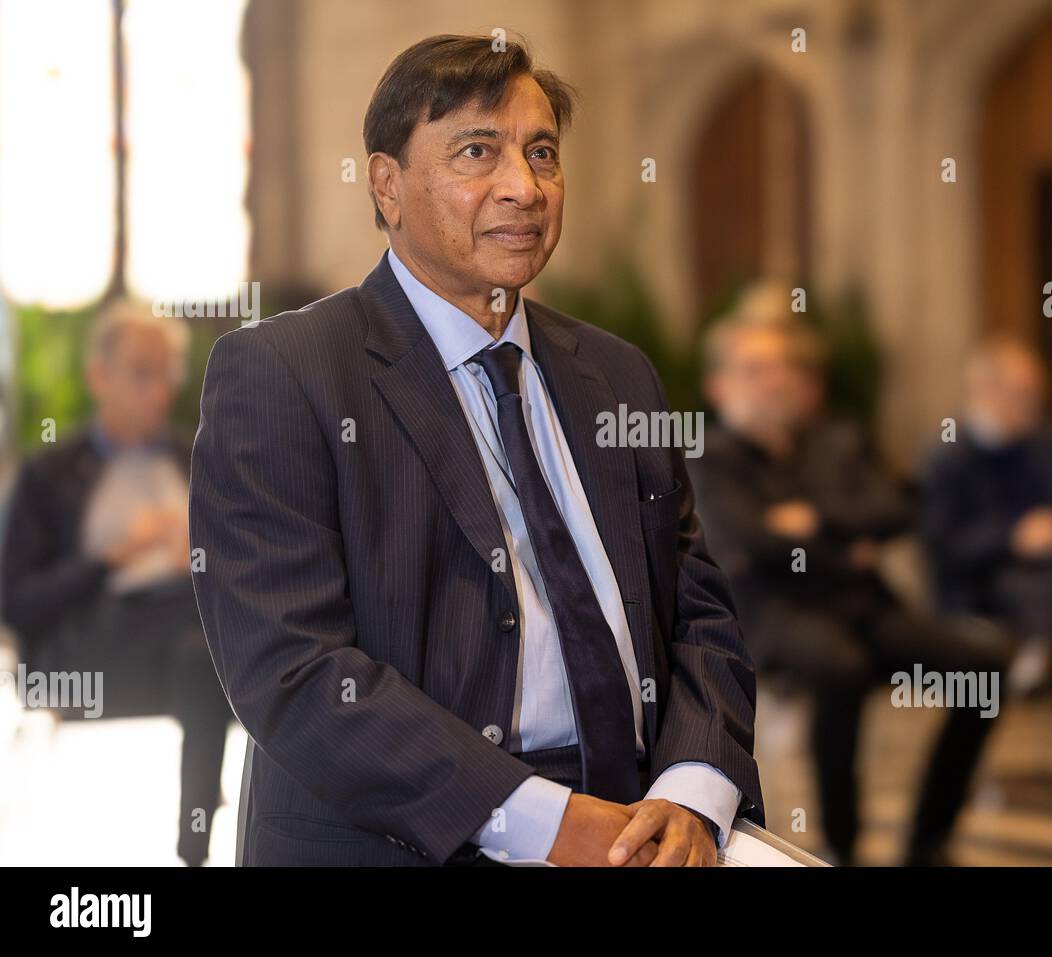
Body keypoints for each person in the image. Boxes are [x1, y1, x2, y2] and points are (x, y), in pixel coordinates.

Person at [188, 34, 762, 867]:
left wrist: (691, 789)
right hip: (415, 833)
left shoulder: (615, 373)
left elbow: (699, 608)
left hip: (644, 818)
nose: (524, 188)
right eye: (476, 152)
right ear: (386, 185)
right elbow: (295, 669)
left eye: (541, 153)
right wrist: (548, 823)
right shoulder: (285, 373)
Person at [690, 290, 1012, 866]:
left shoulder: (835, 441)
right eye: (754, 369)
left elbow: (898, 508)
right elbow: (748, 542)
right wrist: (844, 541)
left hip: (867, 607)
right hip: (778, 615)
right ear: (720, 386)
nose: (773, 381)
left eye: (782, 367)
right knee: (842, 669)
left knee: (985, 667)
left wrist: (812, 520)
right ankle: (844, 845)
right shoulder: (711, 457)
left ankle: (928, 840)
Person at [0, 299, 232, 866]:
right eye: (141, 373)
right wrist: (111, 559)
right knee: (216, 650)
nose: (158, 391)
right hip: (86, 654)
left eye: (166, 375)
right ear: (98, 377)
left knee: (206, 653)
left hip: (188, 643)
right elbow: (15, 603)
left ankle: (195, 851)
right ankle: (198, 850)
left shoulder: (196, 458)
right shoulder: (51, 472)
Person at [919, 337, 1052, 755]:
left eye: (1035, 393)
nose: (1032, 403)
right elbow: (943, 549)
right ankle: (1040, 646)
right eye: (1021, 393)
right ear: (985, 391)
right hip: (979, 587)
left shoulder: (1050, 444)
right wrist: (1012, 535)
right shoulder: (947, 457)